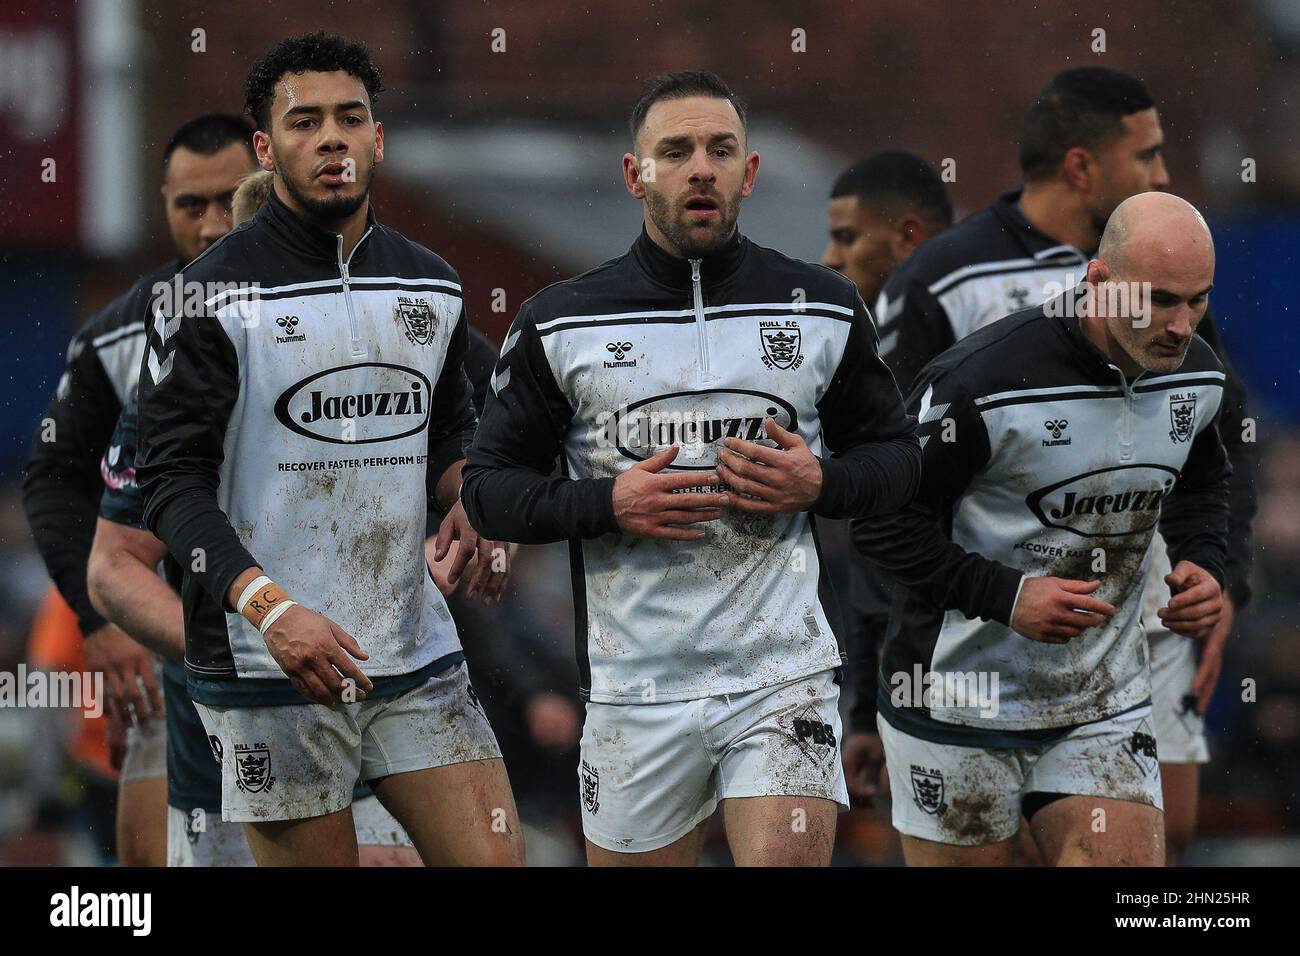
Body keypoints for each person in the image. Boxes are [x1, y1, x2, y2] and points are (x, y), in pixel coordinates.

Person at [462, 70, 921, 866]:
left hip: (783, 676)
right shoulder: (562, 320)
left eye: (720, 150)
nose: (699, 167)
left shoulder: (821, 306)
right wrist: (608, 502)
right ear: (635, 174)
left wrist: (824, 484)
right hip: (634, 688)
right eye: (675, 151)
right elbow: (489, 492)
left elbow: (900, 462)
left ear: (749, 172)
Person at [135, 32, 522, 866]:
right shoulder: (210, 295)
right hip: (267, 664)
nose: (332, 138)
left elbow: (450, 427)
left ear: (378, 139)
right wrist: (271, 610)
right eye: (305, 122)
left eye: (350, 118)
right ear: (266, 149)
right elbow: (168, 487)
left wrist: (469, 500)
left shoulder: (432, 282)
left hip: (413, 648)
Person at [858, 68, 1257, 861]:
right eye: (1158, 302)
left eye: (1196, 301)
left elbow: (1206, 482)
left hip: (1097, 703)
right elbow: (881, 525)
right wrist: (1005, 595)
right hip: (955, 699)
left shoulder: (1198, 374)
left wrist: (1211, 565)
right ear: (1100, 284)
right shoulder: (978, 384)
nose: (1181, 327)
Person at [87, 167, 420, 866]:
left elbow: (493, 447)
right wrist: (244, 646)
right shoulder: (176, 377)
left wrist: (478, 518)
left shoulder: (400, 340)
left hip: (385, 726)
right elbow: (114, 564)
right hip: (224, 748)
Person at [22, 113, 259, 865]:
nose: (214, 223)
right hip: (180, 663)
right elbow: (53, 480)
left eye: (231, 198)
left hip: (340, 653)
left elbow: (467, 409)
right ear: (163, 204)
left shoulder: (340, 298)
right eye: (192, 205)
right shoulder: (121, 336)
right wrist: (99, 618)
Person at [818, 152, 954, 809]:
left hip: (1013, 664)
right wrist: (865, 708)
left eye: (846, 237)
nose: (830, 258)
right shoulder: (870, 367)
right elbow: (876, 546)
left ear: (908, 239)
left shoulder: (987, 364)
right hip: (916, 673)